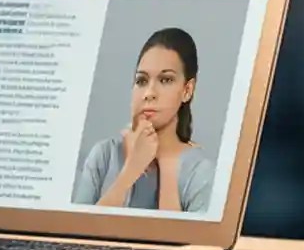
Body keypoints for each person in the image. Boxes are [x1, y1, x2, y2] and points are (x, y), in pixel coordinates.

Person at [71, 27, 216, 213]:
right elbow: (77, 232)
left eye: (165, 80)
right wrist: (131, 169)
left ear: (187, 90)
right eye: (141, 81)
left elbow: (180, 241)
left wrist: (166, 164)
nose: (148, 93)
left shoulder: (201, 172)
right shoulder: (105, 155)